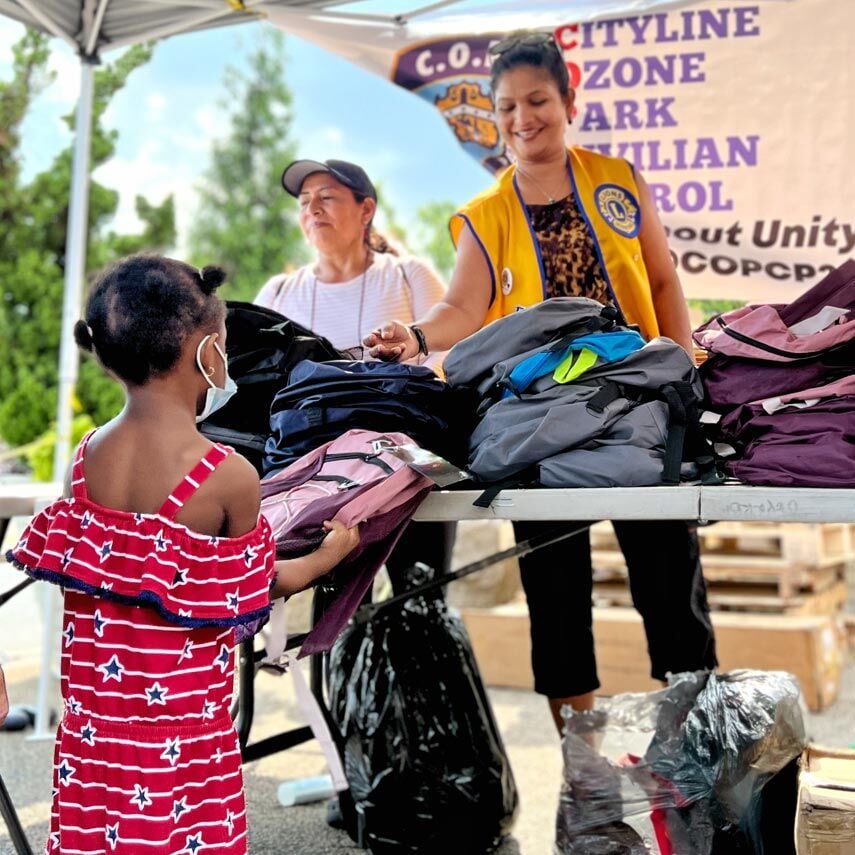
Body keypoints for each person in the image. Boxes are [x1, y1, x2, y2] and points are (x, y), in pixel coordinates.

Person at [365, 32, 717, 732]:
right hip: (539, 428)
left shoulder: (617, 180)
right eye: (507, 108)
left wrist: (682, 369)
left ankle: (697, 766)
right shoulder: (486, 213)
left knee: (670, 590)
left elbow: (660, 278)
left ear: (567, 100)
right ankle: (585, 789)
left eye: (537, 101)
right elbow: (462, 308)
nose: (523, 118)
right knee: (556, 601)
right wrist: (415, 337)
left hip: (639, 410)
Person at [6, 255, 358, 854]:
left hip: (97, 733)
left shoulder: (86, 461)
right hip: (183, 738)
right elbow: (256, 582)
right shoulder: (229, 478)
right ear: (205, 349)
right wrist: (332, 553)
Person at [256, 158, 456, 584]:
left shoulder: (408, 275)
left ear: (366, 211)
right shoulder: (277, 292)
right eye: (305, 201)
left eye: (327, 197)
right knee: (330, 591)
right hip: (308, 466)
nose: (312, 209)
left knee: (421, 587)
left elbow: (451, 359)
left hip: (408, 458)